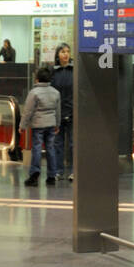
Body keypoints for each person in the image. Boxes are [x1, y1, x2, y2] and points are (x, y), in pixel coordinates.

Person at [19, 67, 61, 186]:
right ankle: (52, 175)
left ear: (37, 79)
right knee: (50, 148)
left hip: (38, 125)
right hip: (51, 124)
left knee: (37, 148)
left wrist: (22, 125)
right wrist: (57, 124)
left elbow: (28, 111)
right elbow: (58, 111)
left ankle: (35, 174)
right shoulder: (55, 92)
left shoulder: (34, 93)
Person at [50, 44, 74, 183]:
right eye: (62, 52)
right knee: (57, 143)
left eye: (67, 52)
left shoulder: (74, 71)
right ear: (57, 55)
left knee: (72, 144)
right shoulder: (53, 71)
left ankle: (73, 171)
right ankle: (58, 171)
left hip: (72, 112)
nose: (65, 54)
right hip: (57, 113)